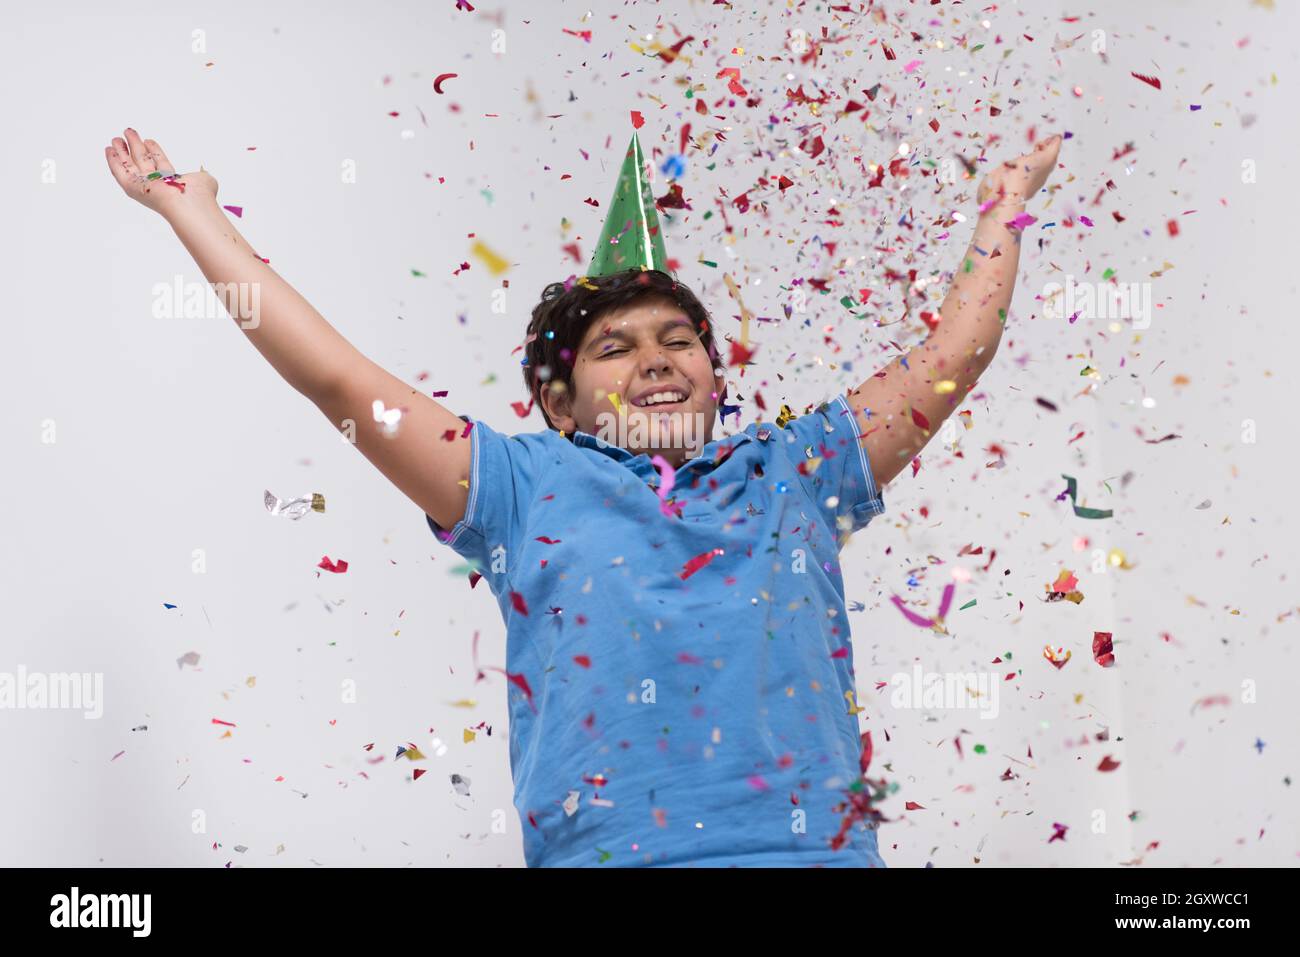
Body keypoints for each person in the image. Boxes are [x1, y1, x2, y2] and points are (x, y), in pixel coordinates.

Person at [105, 128, 1062, 866]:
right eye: (615, 346)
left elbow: (950, 360)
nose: (655, 359)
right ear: (556, 401)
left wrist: (1000, 213)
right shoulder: (524, 486)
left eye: (677, 339)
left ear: (715, 375)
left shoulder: (795, 469)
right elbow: (340, 384)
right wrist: (193, 213)